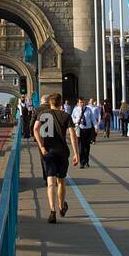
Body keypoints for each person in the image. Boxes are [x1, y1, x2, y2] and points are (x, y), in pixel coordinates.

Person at [33, 93, 79, 224]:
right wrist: (77, 153)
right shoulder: (66, 115)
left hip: (48, 151)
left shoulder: (43, 114)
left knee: (50, 182)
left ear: (49, 103)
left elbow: (35, 129)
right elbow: (72, 134)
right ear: (61, 103)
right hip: (62, 152)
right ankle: (61, 206)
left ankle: (52, 211)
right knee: (61, 180)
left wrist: (41, 146)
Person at [72, 97, 97, 167]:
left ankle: (86, 160)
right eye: (80, 102)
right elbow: (72, 118)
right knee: (81, 146)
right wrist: (77, 120)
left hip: (88, 129)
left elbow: (93, 119)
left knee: (87, 146)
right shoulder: (75, 110)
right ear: (78, 103)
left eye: (83, 102)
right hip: (80, 129)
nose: (82, 103)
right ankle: (82, 162)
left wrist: (96, 126)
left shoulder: (88, 109)